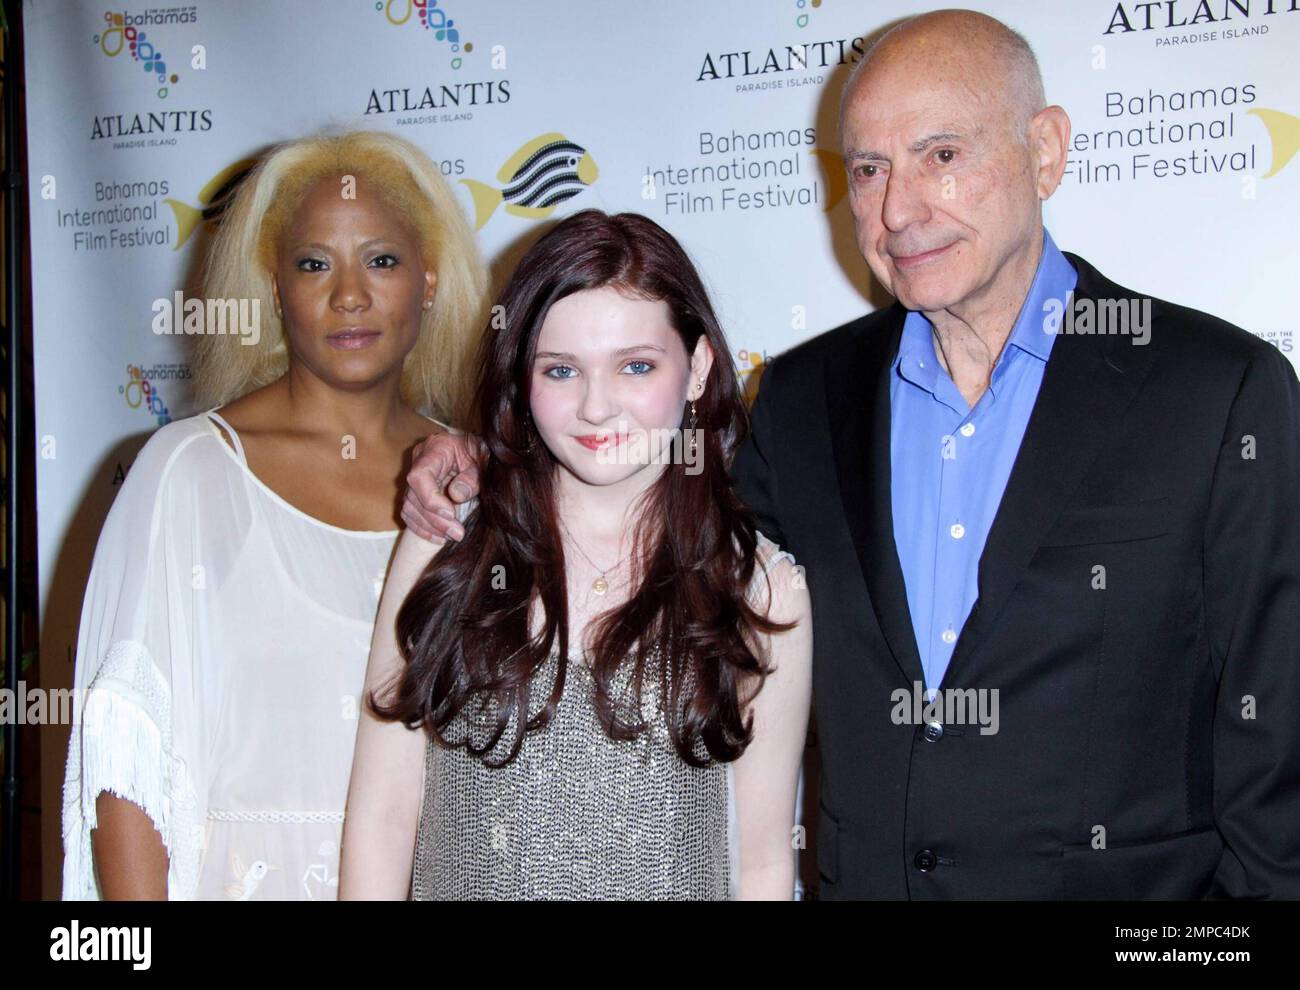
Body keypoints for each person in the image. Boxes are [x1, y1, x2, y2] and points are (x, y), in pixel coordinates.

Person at [403, 10, 1300, 899]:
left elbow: (1278, 756)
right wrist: (488, 461)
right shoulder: (801, 399)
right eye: (869, 169)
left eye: (941, 156)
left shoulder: (1215, 391)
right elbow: (653, 522)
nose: (899, 208)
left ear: (1046, 150)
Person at [61, 129, 488, 899]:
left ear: (429, 281)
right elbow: (126, 760)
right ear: (274, 286)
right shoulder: (189, 472)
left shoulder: (477, 484)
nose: (349, 294)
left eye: (382, 261)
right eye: (313, 263)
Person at [339, 209, 812, 900]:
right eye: (561, 371)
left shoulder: (762, 590)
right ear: (521, 378)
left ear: (699, 366)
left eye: (637, 366)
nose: (597, 407)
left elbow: (764, 862)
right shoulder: (449, 537)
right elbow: (382, 820)